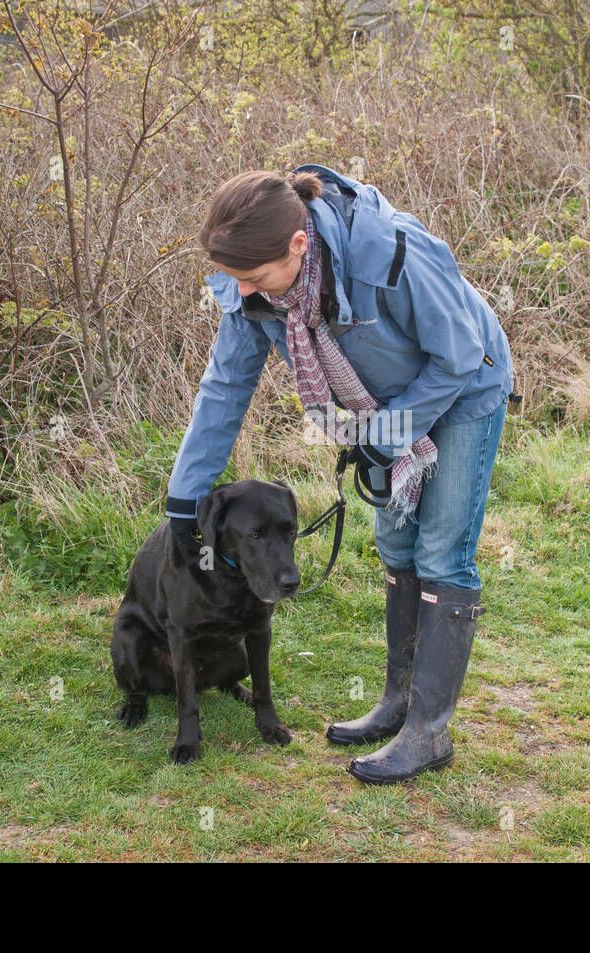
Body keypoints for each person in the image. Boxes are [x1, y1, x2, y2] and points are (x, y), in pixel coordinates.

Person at [165, 163, 515, 783]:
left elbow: (458, 353)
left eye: (250, 276)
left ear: (299, 244)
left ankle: (428, 733)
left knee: (441, 551)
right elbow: (223, 393)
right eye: (231, 278)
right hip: (379, 407)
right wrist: (183, 501)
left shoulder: (386, 250)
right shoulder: (261, 295)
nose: (241, 291)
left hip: (464, 386)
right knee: (396, 543)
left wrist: (385, 433)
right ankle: (397, 704)